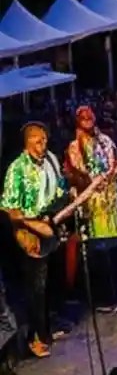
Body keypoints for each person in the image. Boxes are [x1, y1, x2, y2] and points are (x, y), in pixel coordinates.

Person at [1, 123, 66, 358]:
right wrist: (26, 228)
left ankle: (47, 330)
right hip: (29, 230)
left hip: (49, 223)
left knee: (49, 284)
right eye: (37, 141)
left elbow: (59, 187)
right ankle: (33, 338)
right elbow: (9, 207)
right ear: (27, 143)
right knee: (33, 289)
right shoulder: (17, 168)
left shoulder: (50, 160)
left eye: (45, 140)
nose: (43, 145)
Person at [63, 105, 117, 295]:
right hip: (90, 202)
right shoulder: (74, 147)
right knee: (95, 249)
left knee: (111, 249)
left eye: (90, 115)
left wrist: (110, 177)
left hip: (108, 201)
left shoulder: (106, 141)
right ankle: (99, 292)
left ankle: (114, 288)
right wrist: (90, 182)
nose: (88, 118)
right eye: (83, 116)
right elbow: (74, 172)